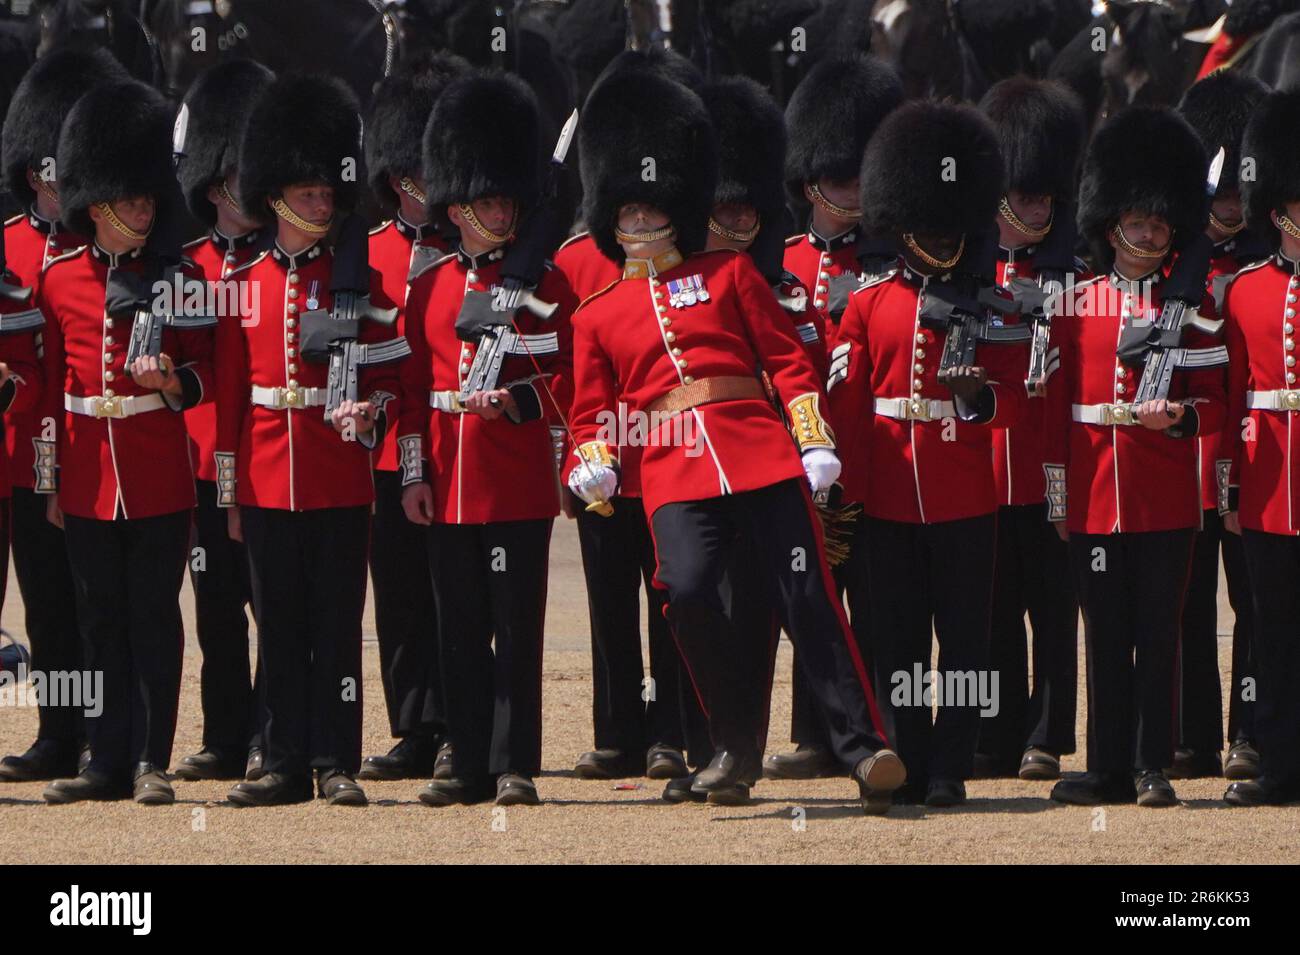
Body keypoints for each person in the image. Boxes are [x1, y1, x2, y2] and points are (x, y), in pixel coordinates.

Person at [567, 66, 905, 815]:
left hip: (759, 453)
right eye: (631, 209)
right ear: (609, 217)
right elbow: (590, 411)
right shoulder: (596, 313)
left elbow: (787, 364)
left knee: (808, 598)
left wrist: (812, 439)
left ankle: (863, 746)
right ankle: (732, 743)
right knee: (684, 592)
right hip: (673, 471)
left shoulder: (729, 276)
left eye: (658, 208)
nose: (647, 220)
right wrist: (588, 460)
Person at [832, 101, 1027, 807]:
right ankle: (905, 755)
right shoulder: (868, 303)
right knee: (898, 642)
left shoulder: (996, 304)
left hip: (965, 494)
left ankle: (952, 762)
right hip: (887, 493)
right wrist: (840, 491)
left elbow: (1018, 399)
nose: (941, 240)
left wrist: (976, 399)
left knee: (965, 645)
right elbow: (850, 405)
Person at [218, 73, 400, 807]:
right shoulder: (246, 281)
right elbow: (230, 396)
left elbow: (394, 376)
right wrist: (231, 495)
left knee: (336, 623)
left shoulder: (360, 280)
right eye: (310, 193)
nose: (324, 204)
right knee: (281, 625)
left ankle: (337, 759)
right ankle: (283, 759)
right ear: (275, 198)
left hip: (338, 475)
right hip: (265, 476)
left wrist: (372, 419)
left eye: (329, 194)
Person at [398, 71, 578, 808]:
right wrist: (413, 474)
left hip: (512, 482)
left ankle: (514, 763)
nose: (501, 211)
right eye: (488, 200)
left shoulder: (544, 284)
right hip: (447, 480)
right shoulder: (430, 285)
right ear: (458, 206)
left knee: (516, 632)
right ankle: (466, 760)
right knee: (459, 632)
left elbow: (569, 379)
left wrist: (519, 405)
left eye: (507, 199)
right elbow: (410, 394)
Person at [39, 80, 214, 806]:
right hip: (84, 474)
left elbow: (205, 372)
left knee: (152, 616)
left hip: (155, 473)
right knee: (96, 617)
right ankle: (103, 756)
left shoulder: (183, 278)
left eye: (149, 200)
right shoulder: (57, 280)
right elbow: (51, 392)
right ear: (98, 203)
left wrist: (172, 380)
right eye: (131, 201)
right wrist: (49, 484)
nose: (144, 211)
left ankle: (150, 757)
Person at [1046, 106, 1225, 808]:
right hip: (1095, 496)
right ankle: (1108, 765)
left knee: (1159, 634)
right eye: (1137, 221)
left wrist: (1180, 417)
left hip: (1164, 496)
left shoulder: (1196, 307)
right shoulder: (1076, 304)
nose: (1148, 234)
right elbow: (1055, 415)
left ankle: (1155, 763)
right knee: (1106, 634)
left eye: (1158, 223)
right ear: (1111, 222)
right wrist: (1060, 501)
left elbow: (1216, 398)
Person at [556, 49, 700, 785]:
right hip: (603, 462)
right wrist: (574, 455)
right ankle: (616, 729)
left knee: (671, 601)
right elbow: (556, 368)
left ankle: (672, 731)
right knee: (609, 603)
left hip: (674, 457)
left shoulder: (691, 262)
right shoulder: (577, 261)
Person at [767, 52, 905, 782]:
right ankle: (813, 732)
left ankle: (872, 727)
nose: (851, 189)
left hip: (868, 452)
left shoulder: (889, 264)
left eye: (861, 176)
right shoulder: (783, 258)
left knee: (873, 601)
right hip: (799, 454)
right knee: (807, 596)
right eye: (840, 176)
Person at [0, 48, 127, 783]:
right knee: (46, 605)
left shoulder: (98, 248)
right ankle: (58, 730)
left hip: (90, 451)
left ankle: (107, 739)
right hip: (24, 454)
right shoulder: (10, 245)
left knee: (97, 604)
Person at [357, 50, 469, 785]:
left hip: (455, 445)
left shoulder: (472, 257)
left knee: (457, 594)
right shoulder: (365, 255)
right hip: (386, 449)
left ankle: (463, 724)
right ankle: (415, 727)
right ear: (400, 178)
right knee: (397, 593)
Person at [973, 76, 1087, 782]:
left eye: (1046, 195)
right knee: (990, 605)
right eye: (1026, 193)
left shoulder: (1076, 276)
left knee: (1052, 605)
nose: (1038, 205)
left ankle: (1048, 733)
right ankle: (997, 729)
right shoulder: (969, 272)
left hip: (1050, 464)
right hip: (986, 462)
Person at [169, 57, 275, 784]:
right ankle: (223, 734)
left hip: (265, 461)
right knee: (215, 609)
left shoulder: (283, 265)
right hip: (204, 467)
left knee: (274, 608)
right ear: (214, 187)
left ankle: (275, 734)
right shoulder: (188, 267)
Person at [1173, 70, 1271, 782]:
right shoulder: (1171, 260)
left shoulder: (1268, 266)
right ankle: (1193, 731)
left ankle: (1251, 731)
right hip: (1178, 449)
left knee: (1255, 601)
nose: (1232, 202)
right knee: (1181, 600)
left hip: (1252, 454)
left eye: (1243, 188)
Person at [1219, 87, 1300, 806]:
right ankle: (1276, 764)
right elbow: (1229, 402)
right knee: (1273, 633)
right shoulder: (1244, 291)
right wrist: (1230, 494)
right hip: (1270, 483)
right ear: (1279, 209)